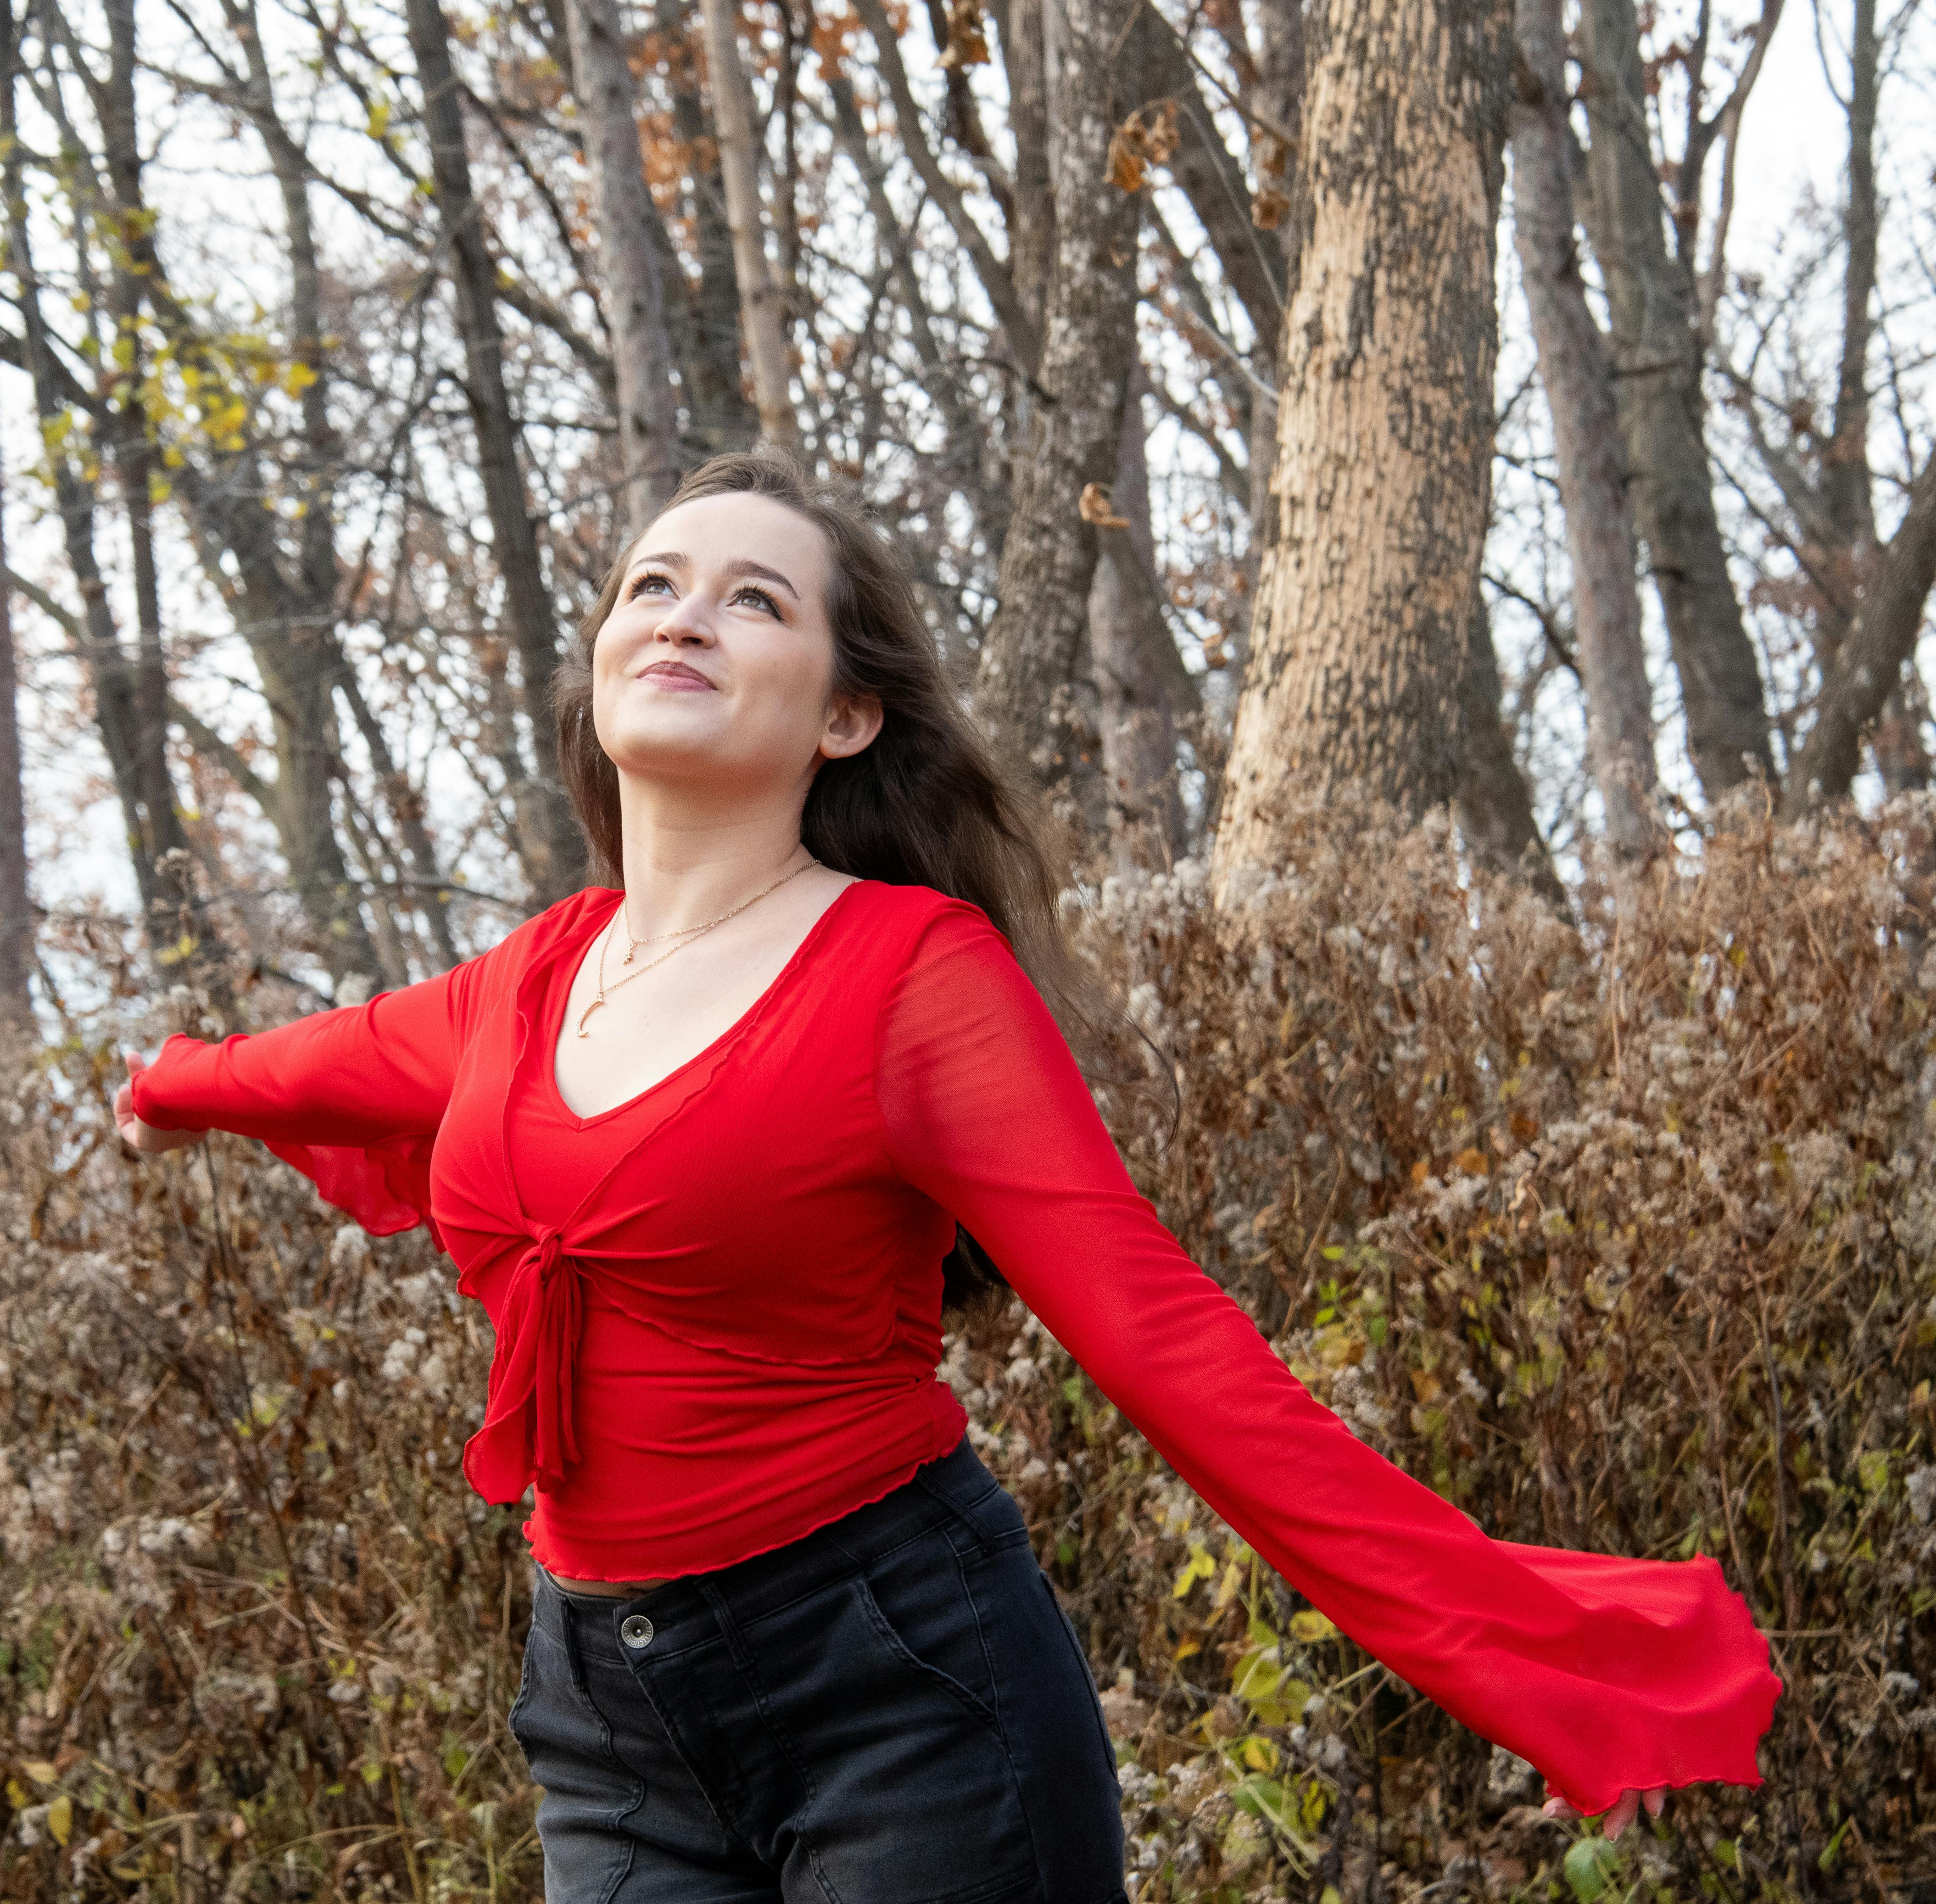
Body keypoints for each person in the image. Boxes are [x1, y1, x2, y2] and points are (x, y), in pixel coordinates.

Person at [112, 452, 1779, 1904]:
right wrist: (164, 1090)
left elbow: (1170, 1342)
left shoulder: (913, 980)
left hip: (893, 1688)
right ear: (603, 659)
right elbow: (309, 1063)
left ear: (847, 712)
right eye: (653, 584)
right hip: (605, 1717)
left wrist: (1503, 1630)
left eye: (754, 600)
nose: (684, 615)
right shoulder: (538, 976)